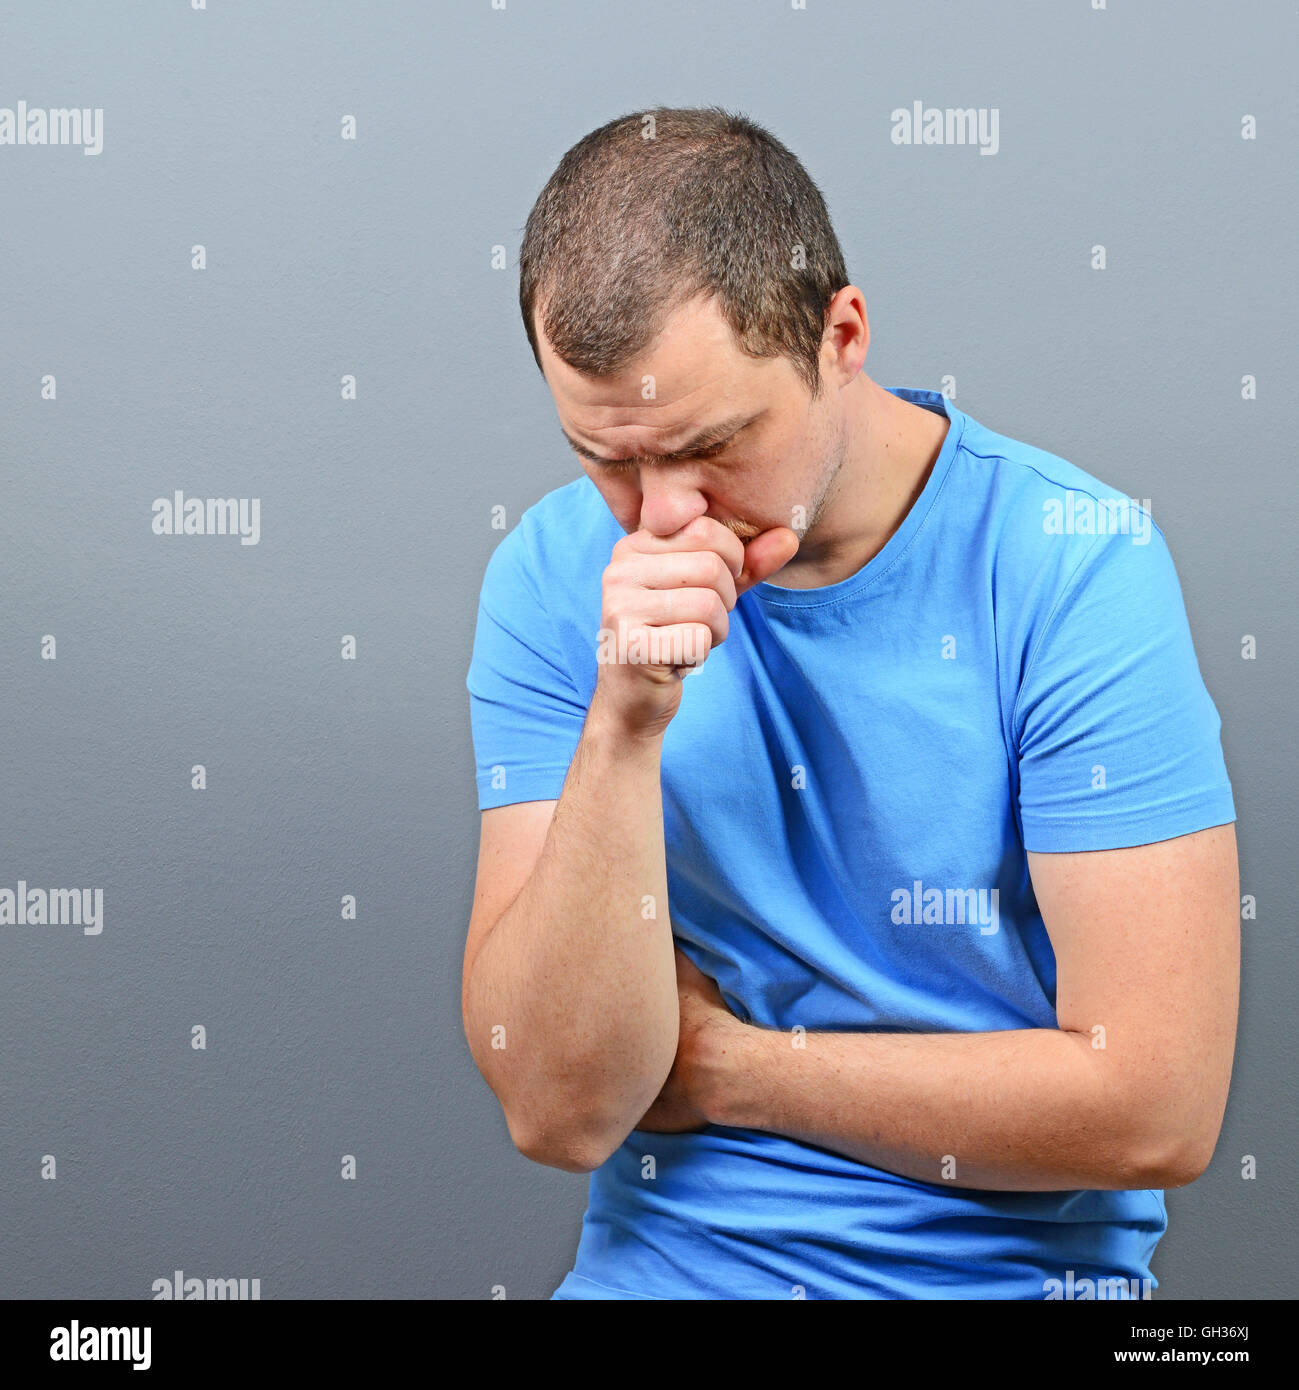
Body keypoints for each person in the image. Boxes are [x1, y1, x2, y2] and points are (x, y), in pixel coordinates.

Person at [462, 106, 1239, 1300]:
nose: (666, 515)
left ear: (842, 336)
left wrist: (727, 1066)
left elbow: (1154, 1110)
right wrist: (622, 724)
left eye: (713, 444)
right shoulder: (552, 577)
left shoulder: (1072, 562)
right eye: (609, 459)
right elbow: (560, 1111)